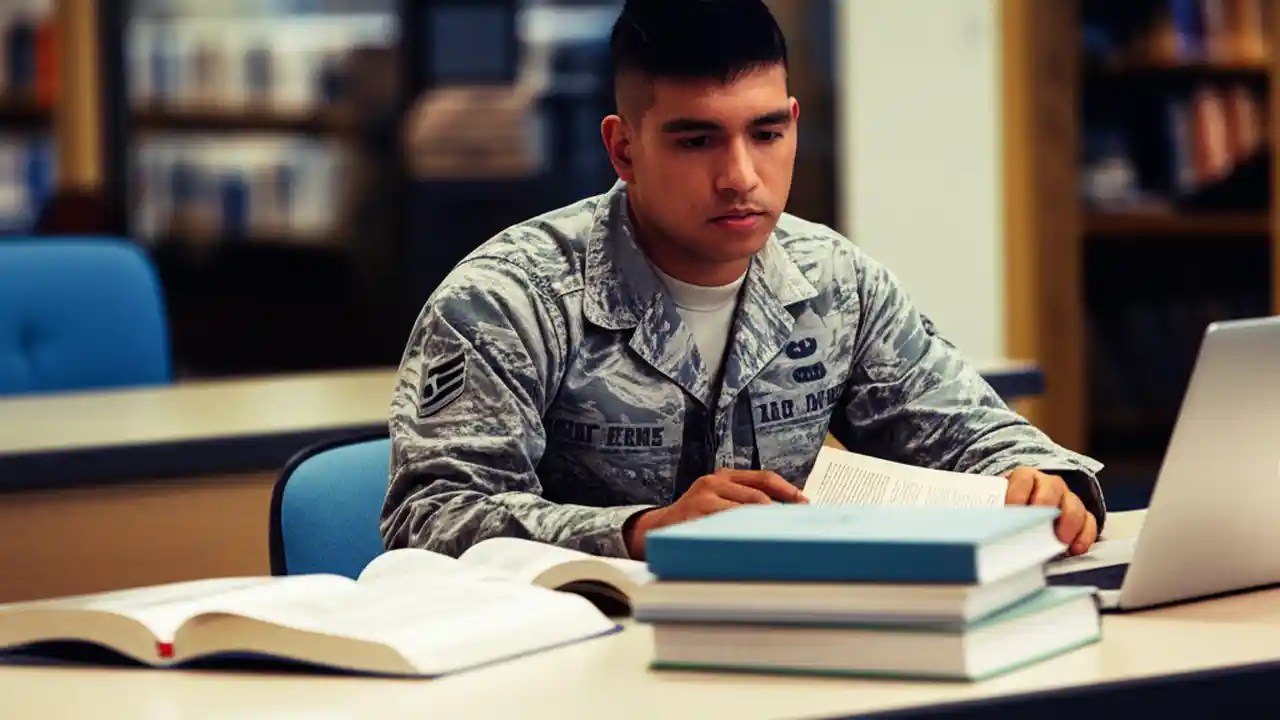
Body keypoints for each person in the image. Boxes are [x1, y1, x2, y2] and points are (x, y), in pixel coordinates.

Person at [381, 0, 1105, 561]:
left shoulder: (835, 283)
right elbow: (430, 518)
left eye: (765, 134)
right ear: (623, 148)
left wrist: (1045, 484)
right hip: (576, 660)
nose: (740, 177)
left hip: (787, 643)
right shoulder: (507, 301)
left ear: (793, 123)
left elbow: (974, 434)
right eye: (697, 140)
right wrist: (641, 531)